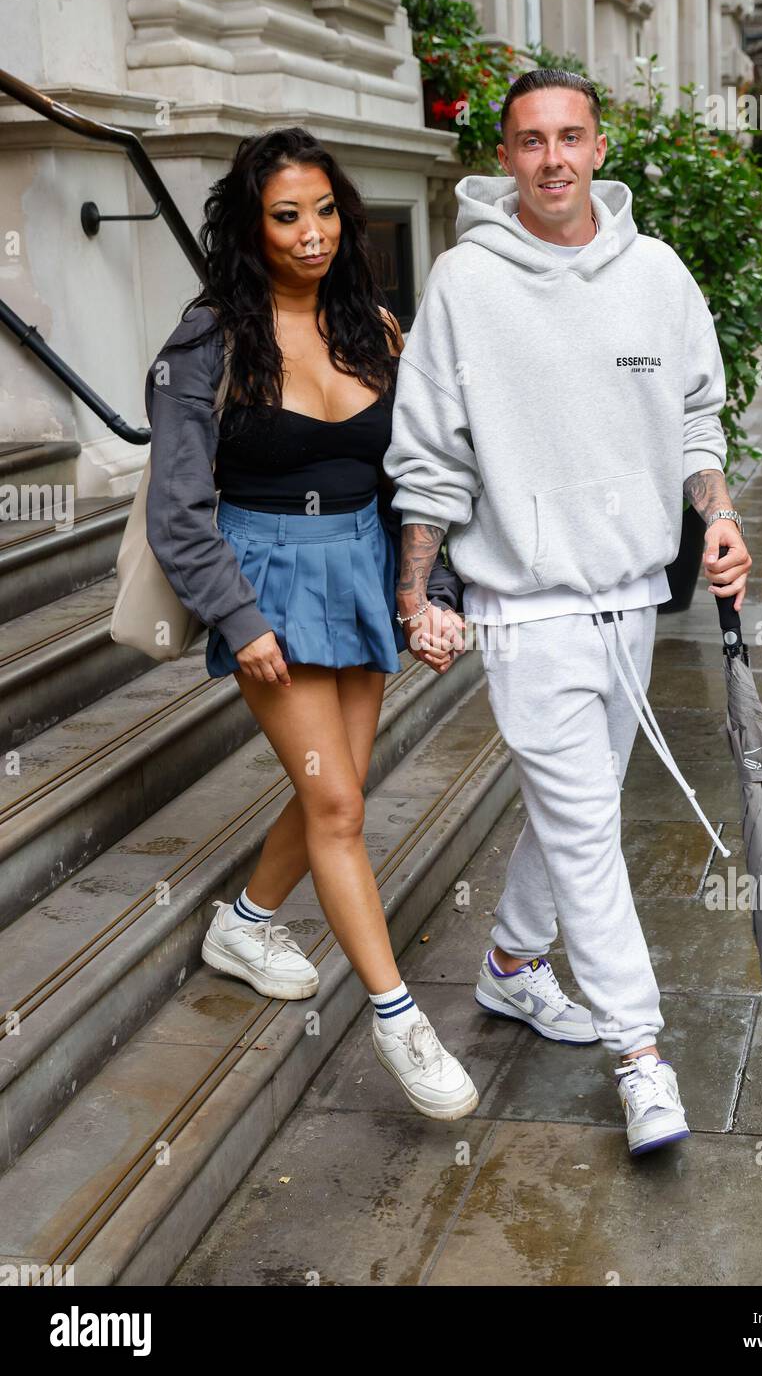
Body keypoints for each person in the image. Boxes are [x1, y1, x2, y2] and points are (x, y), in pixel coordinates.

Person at [383, 69, 752, 1157]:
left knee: (574, 801)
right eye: (529, 141)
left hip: (635, 593)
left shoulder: (658, 274)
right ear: (503, 158)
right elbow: (432, 455)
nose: (551, 159)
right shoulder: (461, 282)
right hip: (523, 605)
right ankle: (641, 1054)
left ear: (600, 147)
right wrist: (417, 586)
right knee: (588, 827)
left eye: (570, 137)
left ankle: (508, 963)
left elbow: (695, 414)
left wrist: (718, 514)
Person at [144, 127, 478, 1122]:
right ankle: (398, 1019)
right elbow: (174, 509)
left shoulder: (372, 327)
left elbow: (418, 478)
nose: (311, 233)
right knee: (336, 805)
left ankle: (245, 921)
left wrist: (436, 591)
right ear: (251, 227)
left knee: (339, 786)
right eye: (286, 216)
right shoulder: (208, 338)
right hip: (269, 582)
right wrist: (236, 616)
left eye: (325, 210)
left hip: (366, 568)